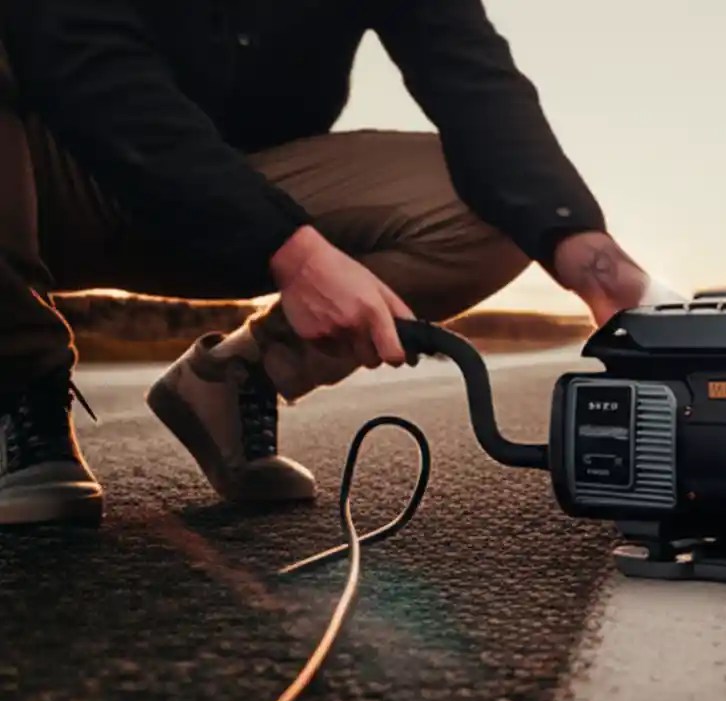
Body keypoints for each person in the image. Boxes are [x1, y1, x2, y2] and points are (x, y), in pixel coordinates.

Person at [0, 1, 683, 526]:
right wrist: (291, 253)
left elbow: (475, 81)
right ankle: (17, 385)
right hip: (52, 178)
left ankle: (235, 380)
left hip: (237, 189)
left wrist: (589, 256)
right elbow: (87, 68)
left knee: (498, 213)